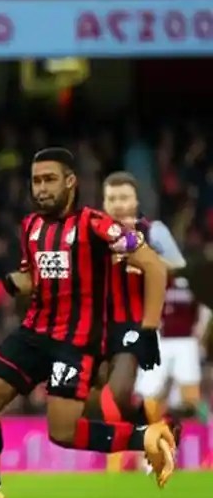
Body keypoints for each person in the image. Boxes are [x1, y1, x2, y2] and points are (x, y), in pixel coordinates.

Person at [0, 148, 177, 498]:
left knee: (63, 433)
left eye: (49, 179)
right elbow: (37, 275)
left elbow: (153, 266)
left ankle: (147, 436)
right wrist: (13, 284)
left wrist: (147, 330)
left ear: (70, 182)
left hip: (76, 341)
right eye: (36, 181)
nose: (41, 188)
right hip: (33, 332)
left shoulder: (97, 224)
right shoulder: (31, 227)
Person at [95, 171, 186, 427]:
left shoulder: (153, 231)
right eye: (112, 198)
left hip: (136, 323)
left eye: (124, 197)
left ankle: (150, 421)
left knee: (116, 394)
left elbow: (179, 267)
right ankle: (154, 422)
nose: (119, 204)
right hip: (98, 326)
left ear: (136, 201)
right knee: (102, 396)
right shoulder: (95, 234)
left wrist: (149, 264)